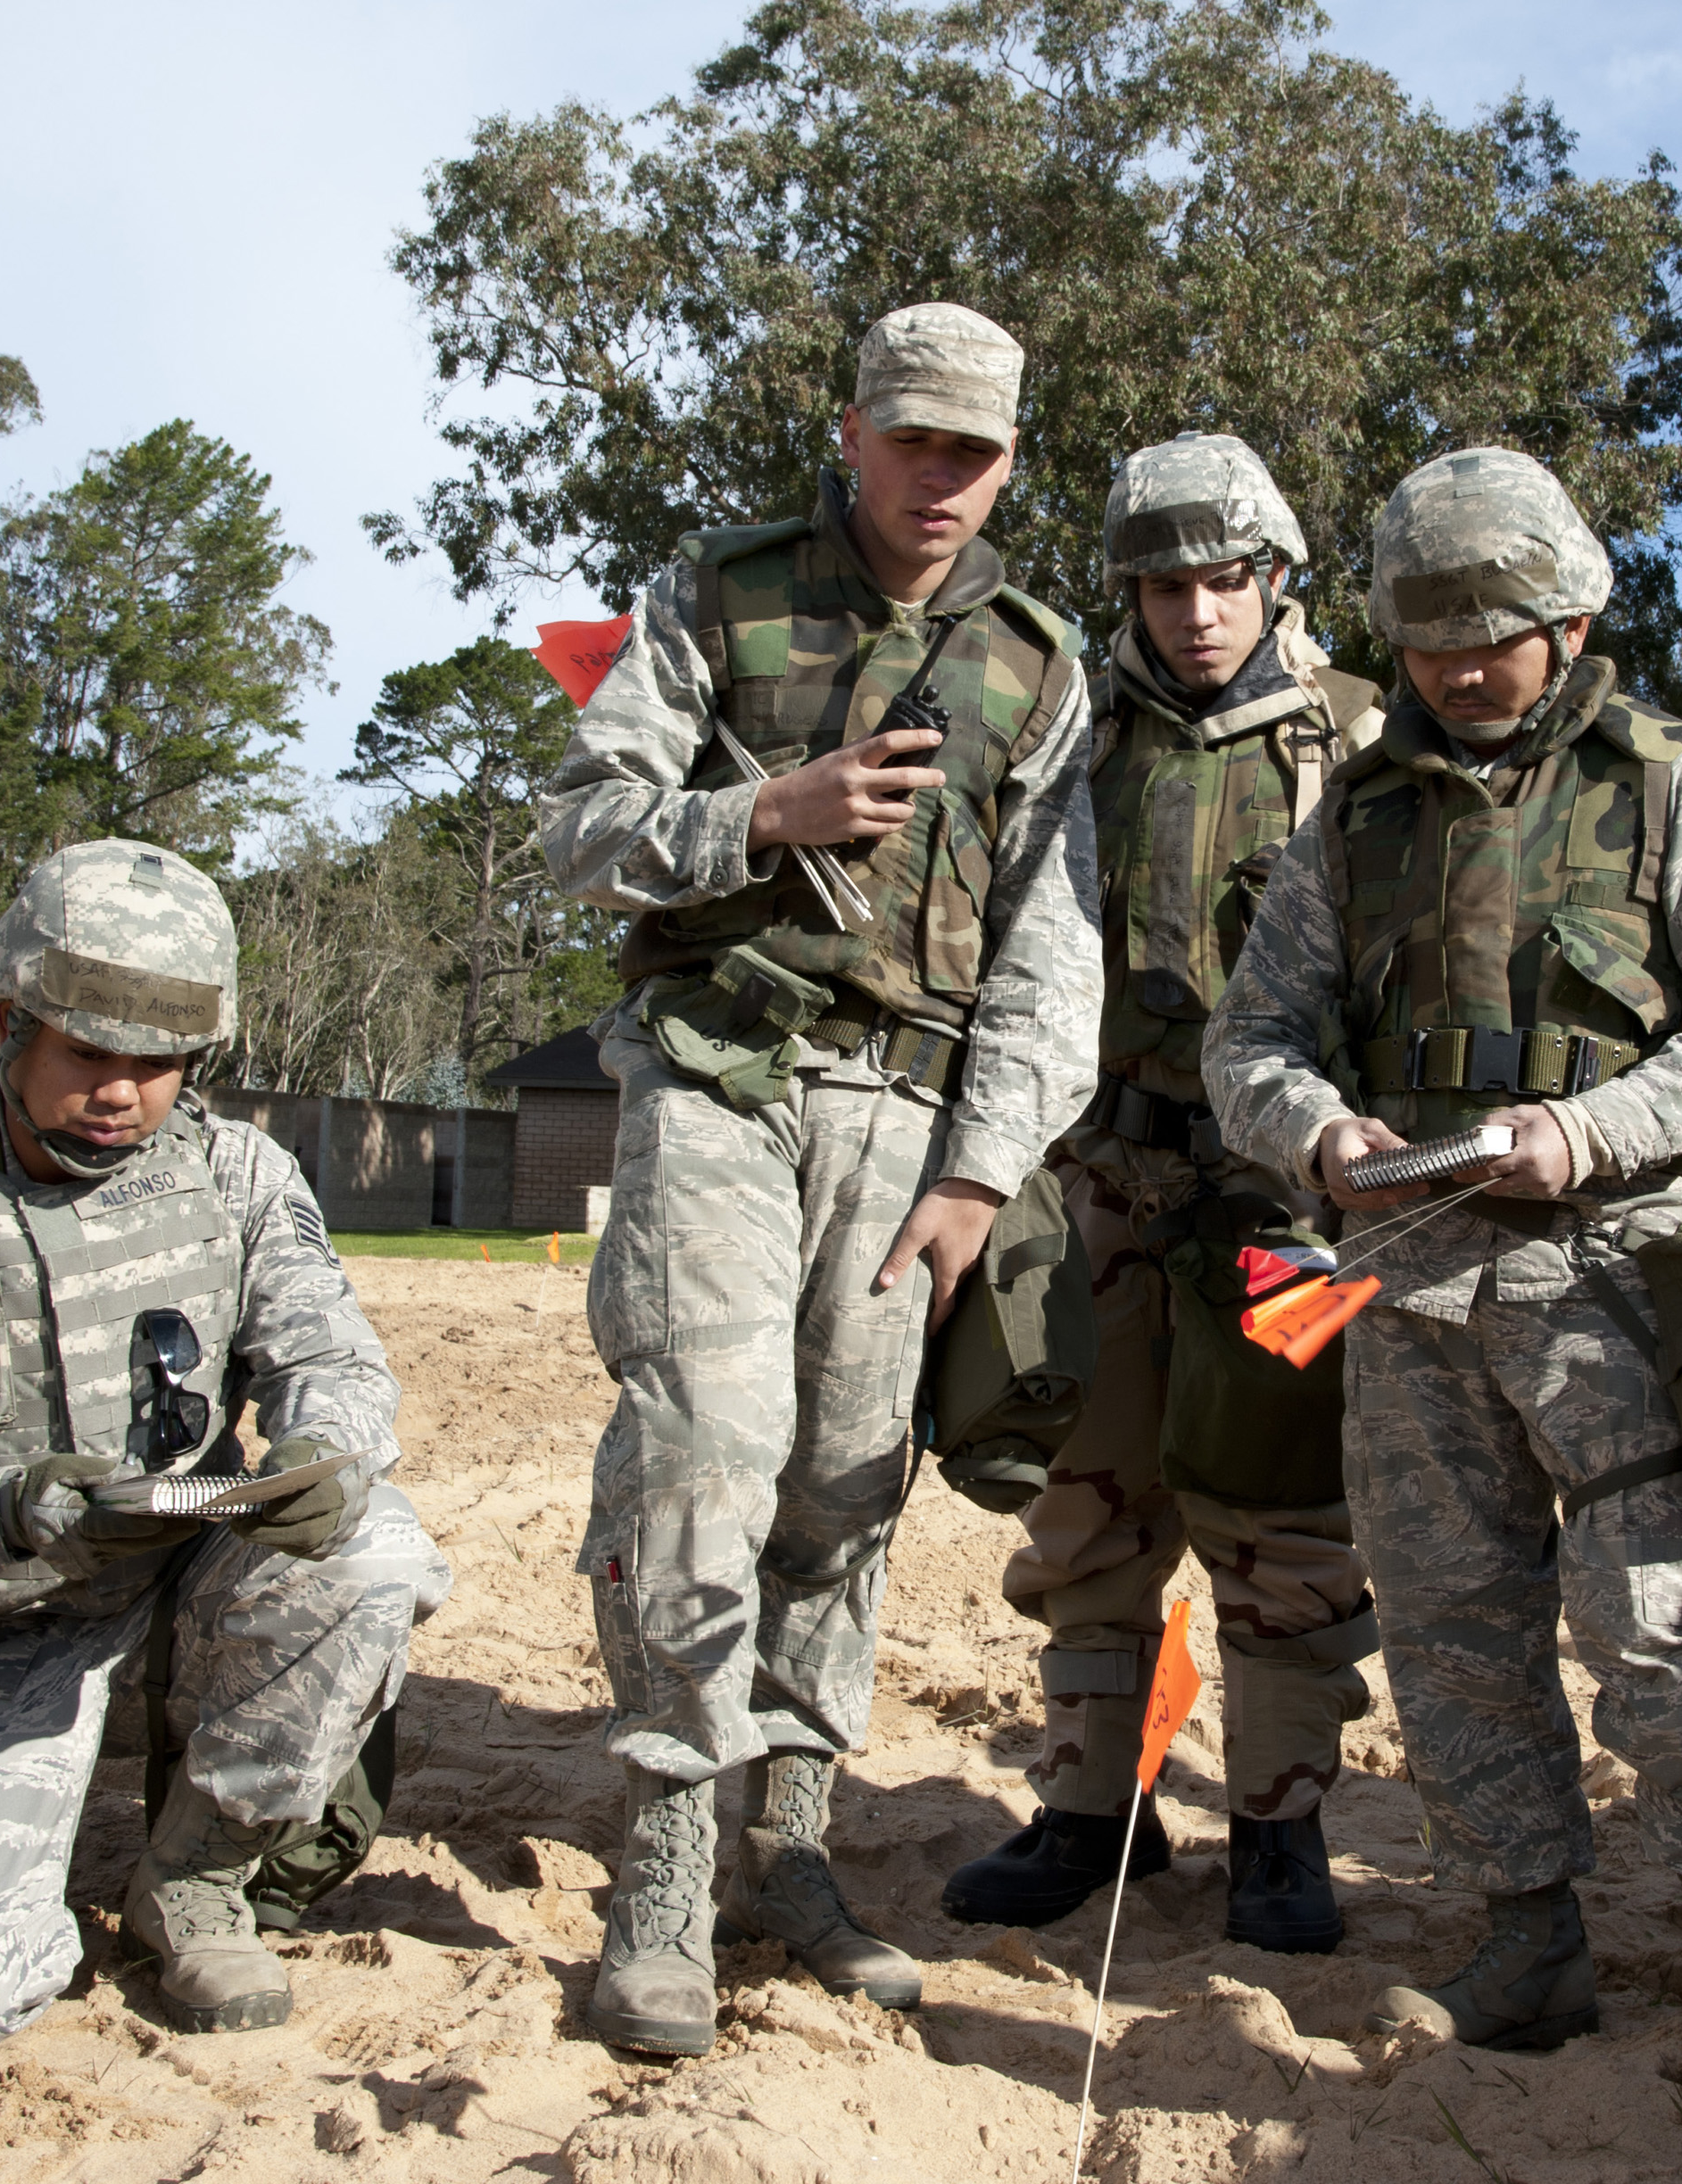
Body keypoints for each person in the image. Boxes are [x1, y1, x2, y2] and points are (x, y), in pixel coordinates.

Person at [1206, 447, 1682, 2092]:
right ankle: (1528, 1938)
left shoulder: (1672, 787)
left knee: (1668, 1625)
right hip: (1404, 1281)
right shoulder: (1356, 819)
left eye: (1493, 635)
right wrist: (1316, 1132)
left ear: (1569, 619)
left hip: (1613, 1270)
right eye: (1427, 643)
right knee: (1450, 1628)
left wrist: (1597, 1128)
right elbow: (1252, 1036)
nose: (1462, 669)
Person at [535, 301, 1101, 2056]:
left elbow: (1050, 948)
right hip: (715, 1087)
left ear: (1011, 460)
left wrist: (986, 1168)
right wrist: (760, 815)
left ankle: (789, 1842)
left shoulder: (1038, 659)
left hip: (904, 1125)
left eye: (977, 451)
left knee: (850, 1483)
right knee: (710, 1454)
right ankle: (666, 1852)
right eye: (913, 439)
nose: (941, 478)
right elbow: (575, 831)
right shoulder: (719, 591)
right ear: (848, 431)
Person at [0, 840, 445, 2071]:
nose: (123, 1094)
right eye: (89, 1056)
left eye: (159, 1064)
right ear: (11, 1020)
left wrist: (324, 1449)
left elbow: (334, 1359)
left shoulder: (237, 1174)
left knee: (373, 1548)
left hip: (171, 1598)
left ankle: (198, 1880)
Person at [940, 433, 1383, 1954]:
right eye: (1163, 581)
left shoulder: (1362, 741)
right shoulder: (1068, 732)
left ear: (1278, 577)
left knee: (1288, 1516)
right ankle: (1090, 1809)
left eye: (1226, 580)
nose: (1197, 611)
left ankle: (1280, 1826)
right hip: (1095, 1178)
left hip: (1294, 1196)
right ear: (1126, 585)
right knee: (1090, 1505)